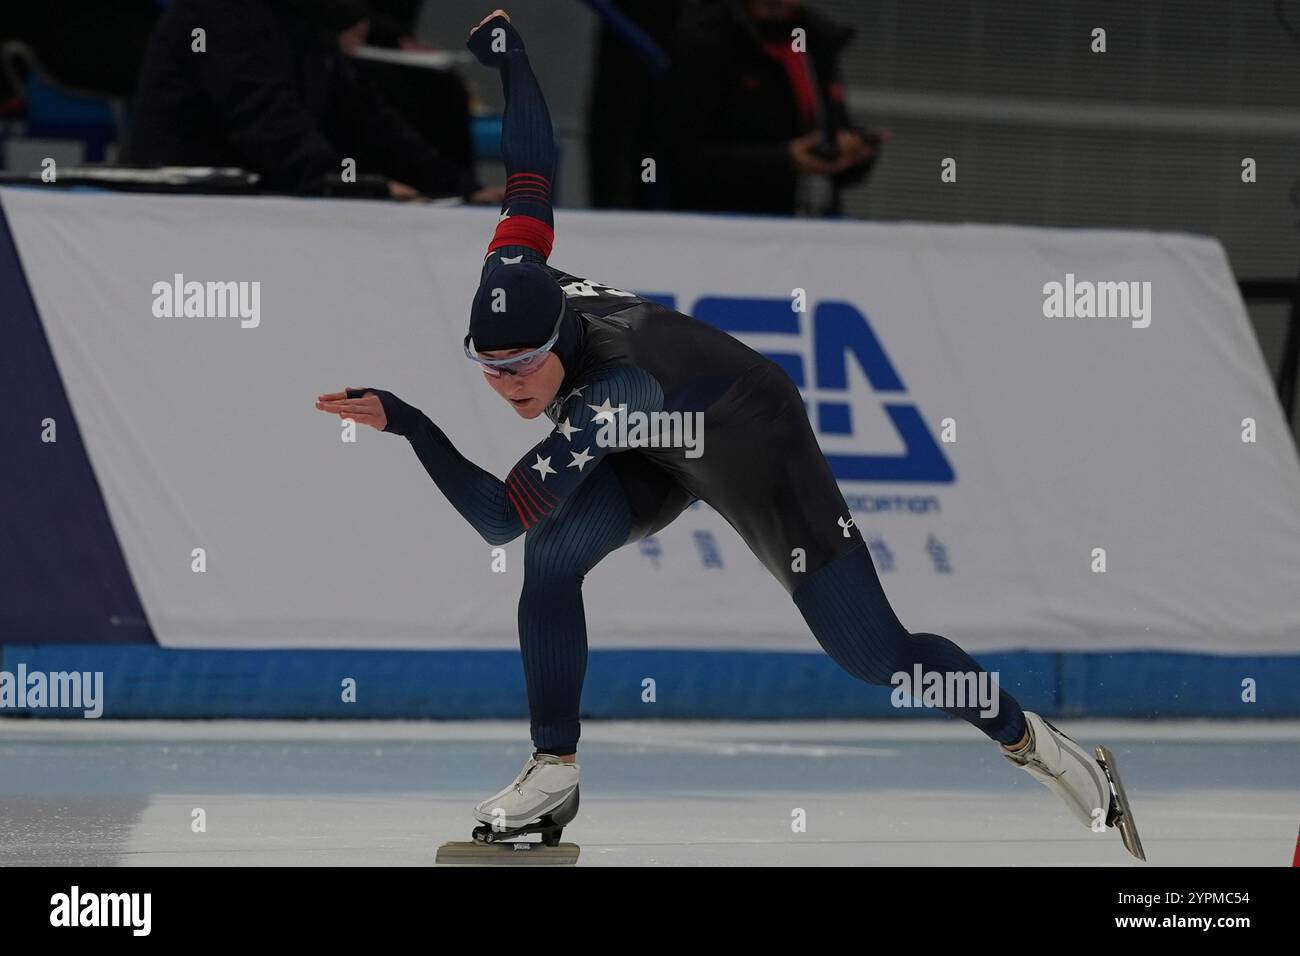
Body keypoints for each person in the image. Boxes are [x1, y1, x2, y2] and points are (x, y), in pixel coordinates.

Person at [314, 10, 1142, 859]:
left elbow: (496, 515)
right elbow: (533, 168)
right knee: (553, 552)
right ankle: (553, 770)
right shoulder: (515, 273)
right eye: (488, 368)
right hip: (655, 443)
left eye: (522, 366)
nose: (507, 385)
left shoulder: (613, 387)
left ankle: (1036, 743)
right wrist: (514, 59)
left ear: (559, 341)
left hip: (754, 442)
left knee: (876, 653)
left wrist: (409, 423)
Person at [127, 0, 493, 200]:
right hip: (186, 207)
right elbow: (266, 123)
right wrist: (357, 185)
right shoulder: (217, 13)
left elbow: (364, 118)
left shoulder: (305, 16)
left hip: (260, 201)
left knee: (437, 89)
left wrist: (460, 188)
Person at [663, 0, 887, 216]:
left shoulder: (815, 40)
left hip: (812, 223)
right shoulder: (706, 39)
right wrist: (784, 161)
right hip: (728, 228)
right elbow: (681, 160)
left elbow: (831, 133)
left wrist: (851, 153)